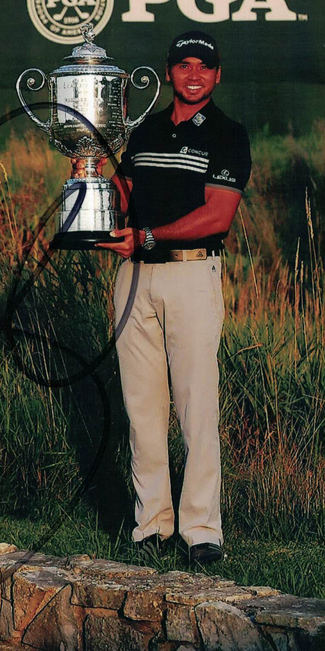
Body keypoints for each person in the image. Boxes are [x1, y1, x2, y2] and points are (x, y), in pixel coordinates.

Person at [97, 31, 252, 567]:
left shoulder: (229, 135)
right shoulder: (143, 131)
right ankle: (152, 525)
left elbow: (218, 216)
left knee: (195, 406)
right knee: (142, 409)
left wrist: (149, 237)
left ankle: (202, 529)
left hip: (190, 276)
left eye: (203, 67)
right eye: (183, 65)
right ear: (169, 73)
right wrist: (93, 175)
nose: (193, 75)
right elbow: (127, 197)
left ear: (216, 76)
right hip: (134, 277)